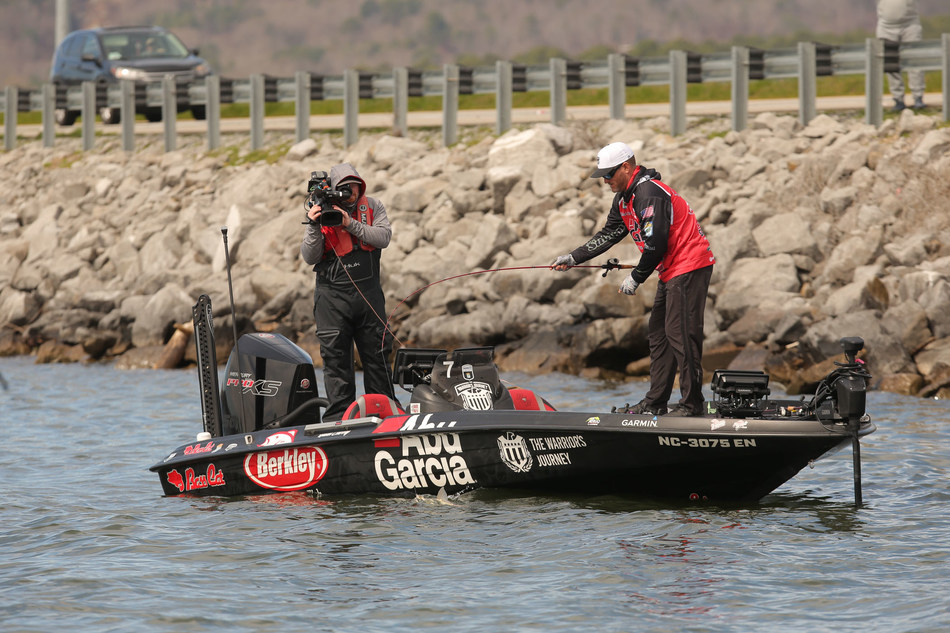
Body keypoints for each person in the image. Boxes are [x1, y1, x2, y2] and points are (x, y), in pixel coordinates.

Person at [553, 142, 715, 417]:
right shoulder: (624, 198)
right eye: (602, 175)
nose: (605, 180)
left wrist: (636, 277)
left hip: (689, 266)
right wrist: (575, 257)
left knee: (680, 335)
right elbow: (610, 233)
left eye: (609, 174)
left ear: (626, 167)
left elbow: (657, 243)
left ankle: (692, 406)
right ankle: (655, 402)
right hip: (671, 270)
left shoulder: (648, 193)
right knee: (659, 335)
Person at [300, 162, 396, 421]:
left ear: (360, 186)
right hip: (331, 300)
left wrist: (351, 224)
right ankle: (338, 420)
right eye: (343, 189)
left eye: (353, 189)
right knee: (336, 362)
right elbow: (309, 257)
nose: (348, 195)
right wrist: (313, 225)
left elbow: (384, 238)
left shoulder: (373, 207)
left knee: (378, 359)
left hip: (369, 298)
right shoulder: (321, 210)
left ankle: (385, 414)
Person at [877, 0, 926, 111]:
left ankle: (918, 97)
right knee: (891, 64)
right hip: (886, 26)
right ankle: (898, 99)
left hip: (910, 24)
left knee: (915, 62)